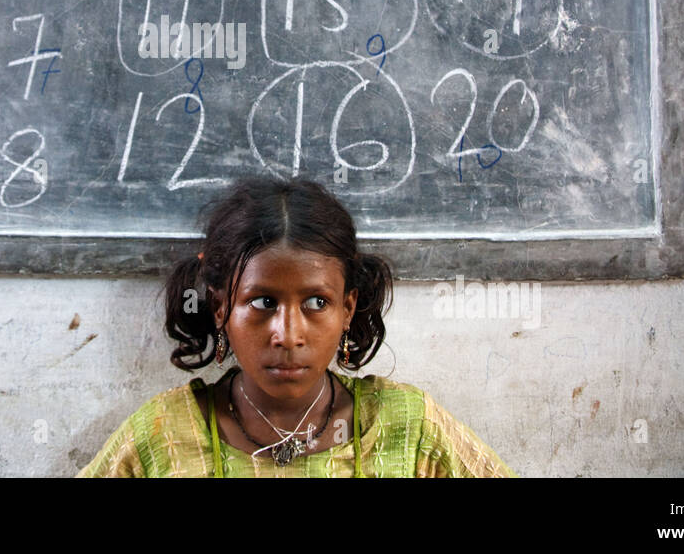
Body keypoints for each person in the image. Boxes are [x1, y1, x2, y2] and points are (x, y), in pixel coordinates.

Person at [76, 177, 516, 477]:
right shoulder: (163, 436)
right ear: (219, 307)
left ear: (347, 308)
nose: (288, 334)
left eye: (316, 302)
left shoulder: (409, 428)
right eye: (262, 302)